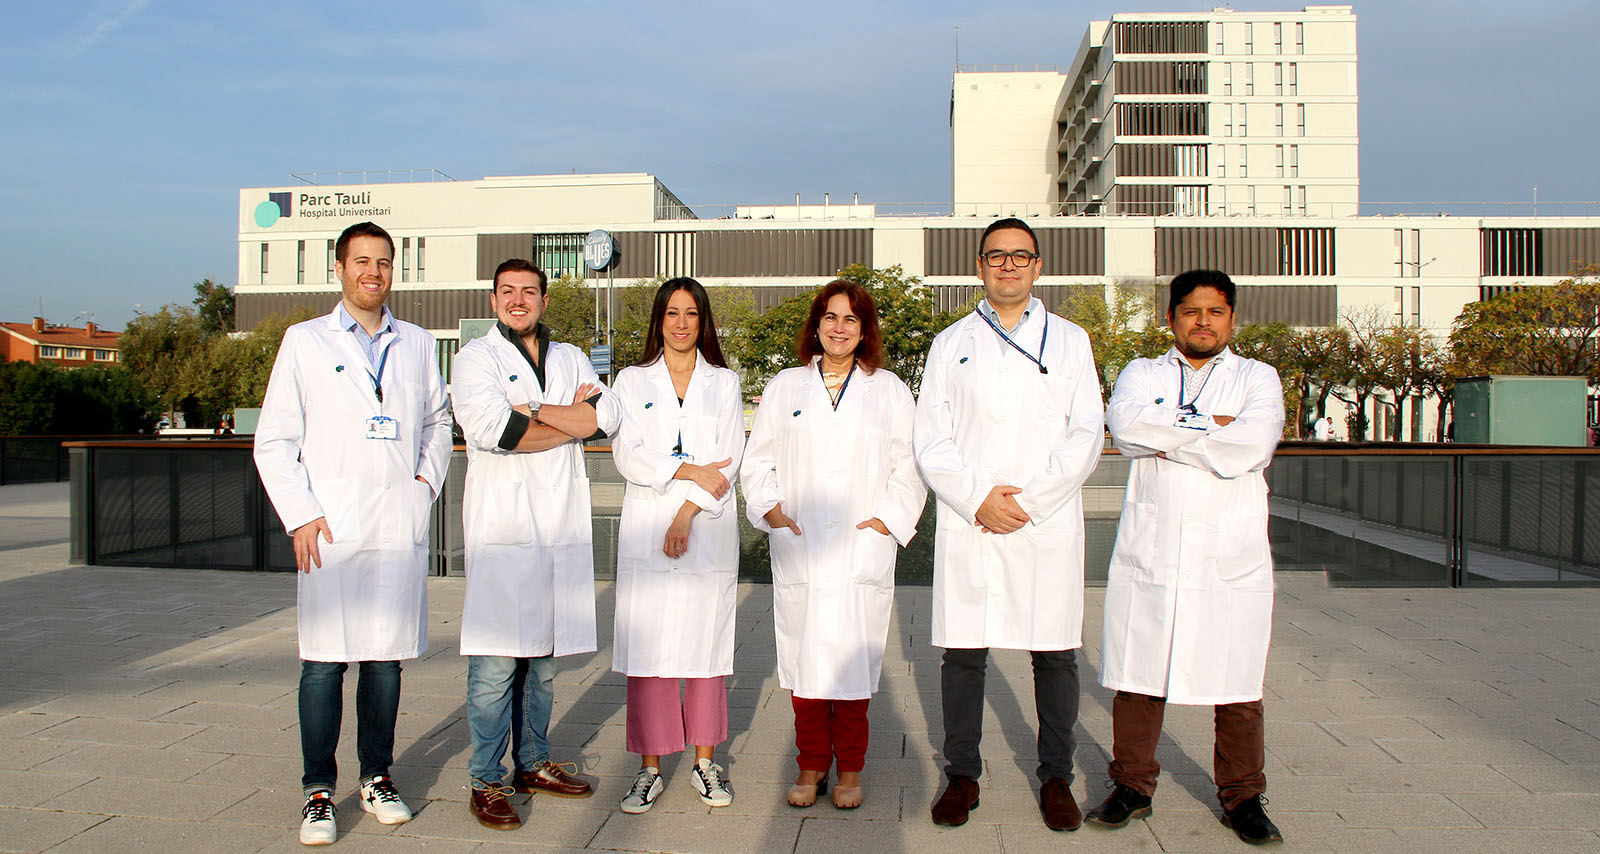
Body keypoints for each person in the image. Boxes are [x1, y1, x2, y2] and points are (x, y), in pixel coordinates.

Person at [254, 221, 453, 846]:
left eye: (385, 262)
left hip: (395, 524)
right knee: (323, 663)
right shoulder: (304, 341)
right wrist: (302, 514)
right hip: (330, 528)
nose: (374, 272)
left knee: (384, 661)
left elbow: (437, 422)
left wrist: (423, 487)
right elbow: (274, 439)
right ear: (338, 268)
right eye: (361, 261)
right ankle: (318, 790)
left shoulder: (418, 343)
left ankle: (376, 777)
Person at [913, 217, 1105, 832]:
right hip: (973, 521)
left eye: (1020, 256)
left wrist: (1031, 501)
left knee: (1054, 655)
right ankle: (962, 775)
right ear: (979, 266)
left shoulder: (1072, 341)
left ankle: (1056, 778)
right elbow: (931, 438)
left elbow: (1085, 433)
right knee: (963, 655)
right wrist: (977, 499)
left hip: (1041, 521)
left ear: (1038, 267)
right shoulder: (950, 343)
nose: (1008, 266)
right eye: (996, 256)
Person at [1089, 269, 1286, 845]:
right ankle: (1132, 787)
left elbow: (1253, 445)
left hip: (1229, 554)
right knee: (1138, 672)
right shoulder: (1142, 372)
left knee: (1239, 679)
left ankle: (1243, 797)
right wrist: (1212, 429)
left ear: (1231, 318)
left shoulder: (1258, 377)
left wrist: (1169, 431)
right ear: (1171, 317)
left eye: (1215, 311)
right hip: (1153, 550)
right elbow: (1125, 429)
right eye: (1191, 311)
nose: (1203, 322)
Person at [450, 259, 622, 829]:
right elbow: (494, 431)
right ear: (493, 299)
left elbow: (604, 417)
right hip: (504, 532)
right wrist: (566, 423)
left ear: (545, 300)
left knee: (544, 664)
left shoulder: (571, 356)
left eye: (529, 291)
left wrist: (537, 414)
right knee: (497, 664)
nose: (518, 300)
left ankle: (533, 763)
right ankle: (485, 780)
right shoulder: (476, 357)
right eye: (507, 292)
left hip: (556, 530)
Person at [741, 279, 925, 810]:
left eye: (850, 319)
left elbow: (907, 466)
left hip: (860, 546)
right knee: (804, 664)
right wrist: (771, 510)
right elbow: (758, 461)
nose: (839, 328)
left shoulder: (887, 389)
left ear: (863, 329)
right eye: (830, 317)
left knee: (852, 664)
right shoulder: (785, 387)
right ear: (816, 325)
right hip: (800, 542)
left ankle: (851, 769)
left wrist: (887, 522)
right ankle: (811, 763)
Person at [609, 277, 746, 814]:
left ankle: (704, 763)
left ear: (703, 321)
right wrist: (686, 469)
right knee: (649, 649)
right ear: (658, 321)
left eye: (691, 313)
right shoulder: (631, 379)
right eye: (672, 313)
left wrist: (686, 512)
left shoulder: (725, 383)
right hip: (648, 526)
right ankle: (649, 768)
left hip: (705, 528)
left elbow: (728, 460)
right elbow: (628, 455)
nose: (682, 323)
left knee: (706, 646)